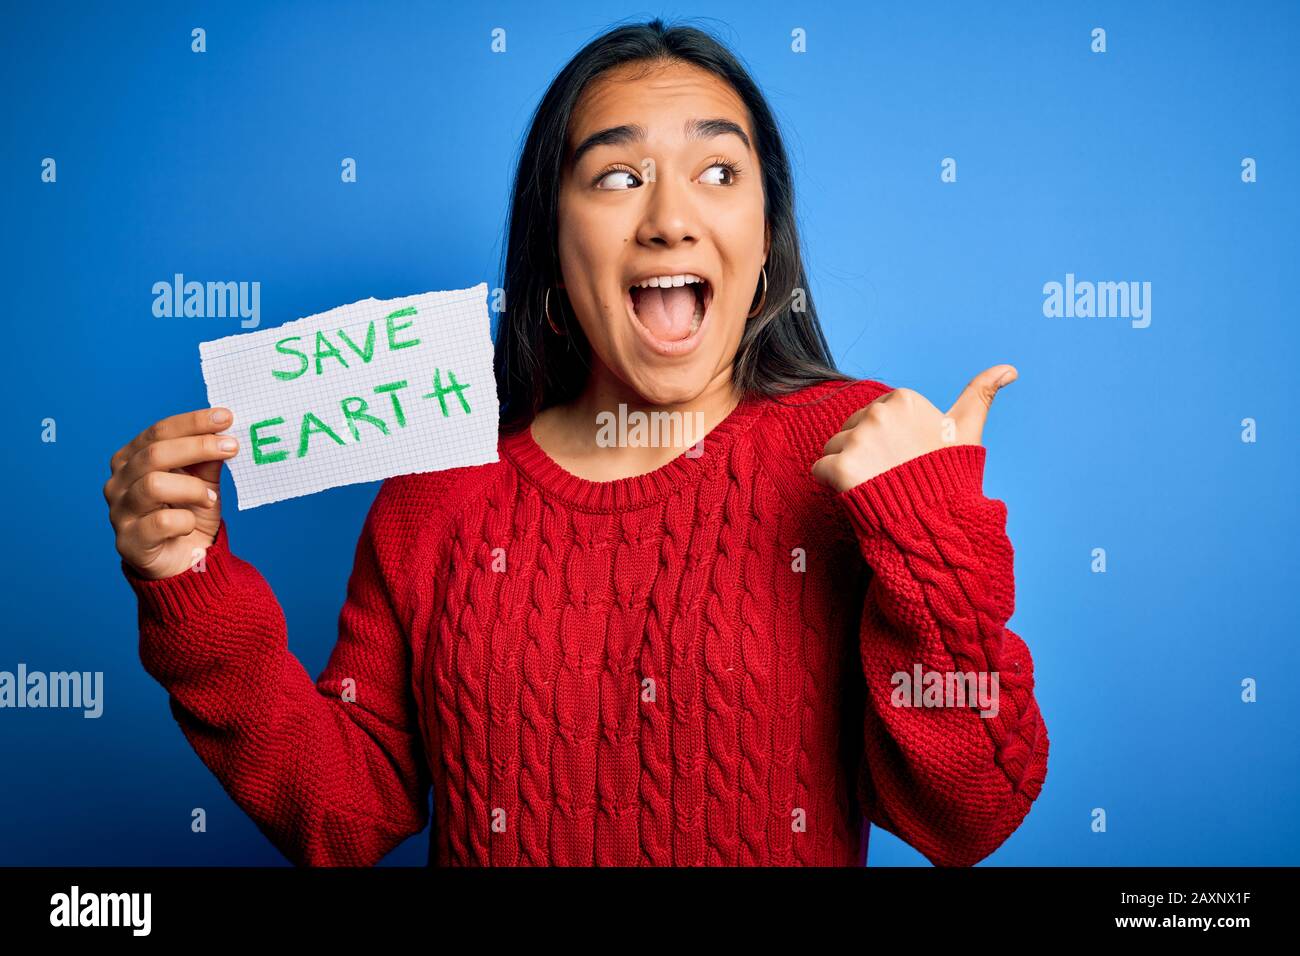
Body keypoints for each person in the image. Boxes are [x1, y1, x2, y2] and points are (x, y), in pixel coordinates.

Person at [103, 18, 1048, 866]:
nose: (671, 216)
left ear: (766, 238)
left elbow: (968, 816)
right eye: (618, 176)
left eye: (720, 172)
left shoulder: (855, 459)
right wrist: (191, 588)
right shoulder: (439, 491)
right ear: (553, 239)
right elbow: (347, 814)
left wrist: (930, 549)